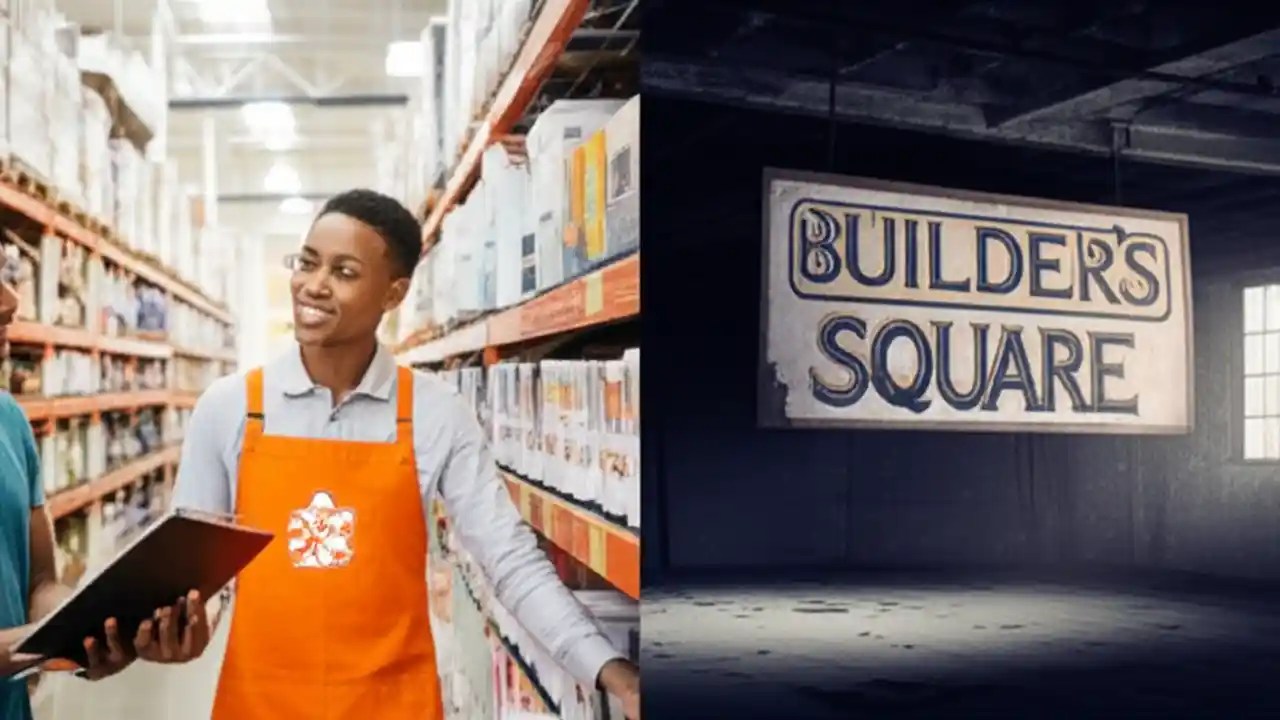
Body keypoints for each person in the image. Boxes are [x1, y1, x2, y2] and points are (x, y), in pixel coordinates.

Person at [168, 189, 641, 719]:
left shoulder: (436, 415)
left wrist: (610, 671)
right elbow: (187, 575)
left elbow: (509, 562)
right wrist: (183, 626)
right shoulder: (228, 409)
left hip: (393, 704)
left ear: (393, 294)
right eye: (307, 263)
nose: (313, 286)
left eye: (344, 272)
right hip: (261, 702)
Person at [0, 250, 145, 719]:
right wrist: (30, 646)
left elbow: (40, 581)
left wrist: (83, 629)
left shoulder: (9, 421)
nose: (10, 300)